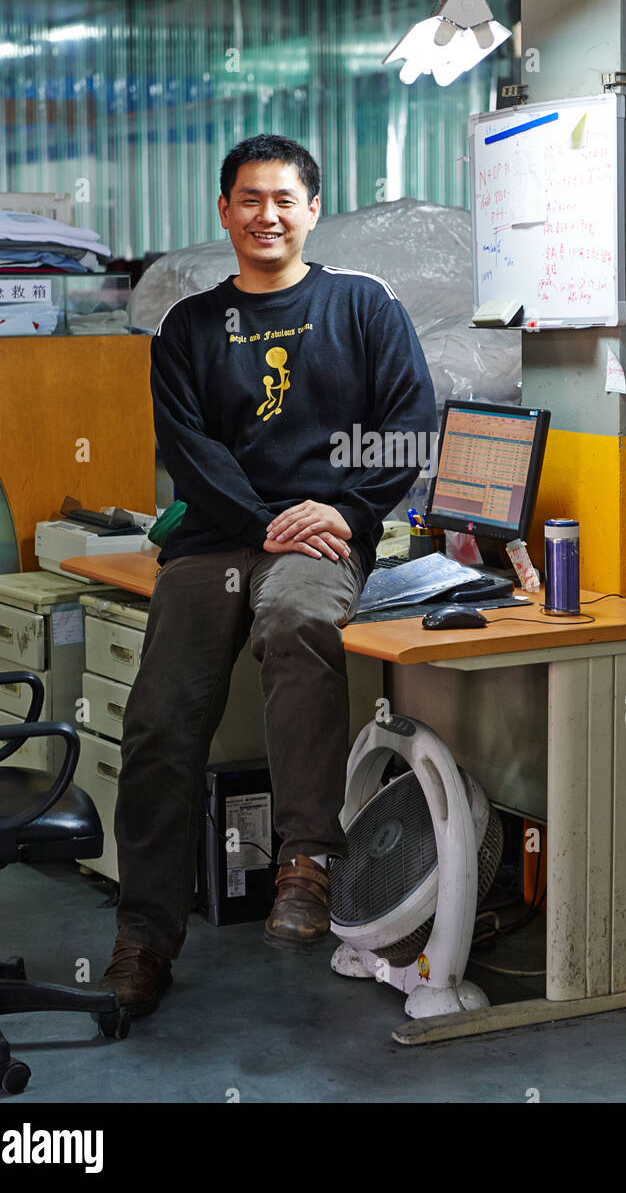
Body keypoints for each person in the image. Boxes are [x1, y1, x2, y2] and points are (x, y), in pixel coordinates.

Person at [98, 134, 437, 1015]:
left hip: (325, 539)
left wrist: (349, 512)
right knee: (161, 721)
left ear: (312, 210)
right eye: (248, 199)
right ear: (224, 212)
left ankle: (306, 862)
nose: (266, 215)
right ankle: (143, 936)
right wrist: (261, 521)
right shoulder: (189, 326)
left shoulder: (364, 304)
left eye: (283, 199)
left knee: (294, 625)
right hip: (215, 542)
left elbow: (409, 424)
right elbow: (189, 449)